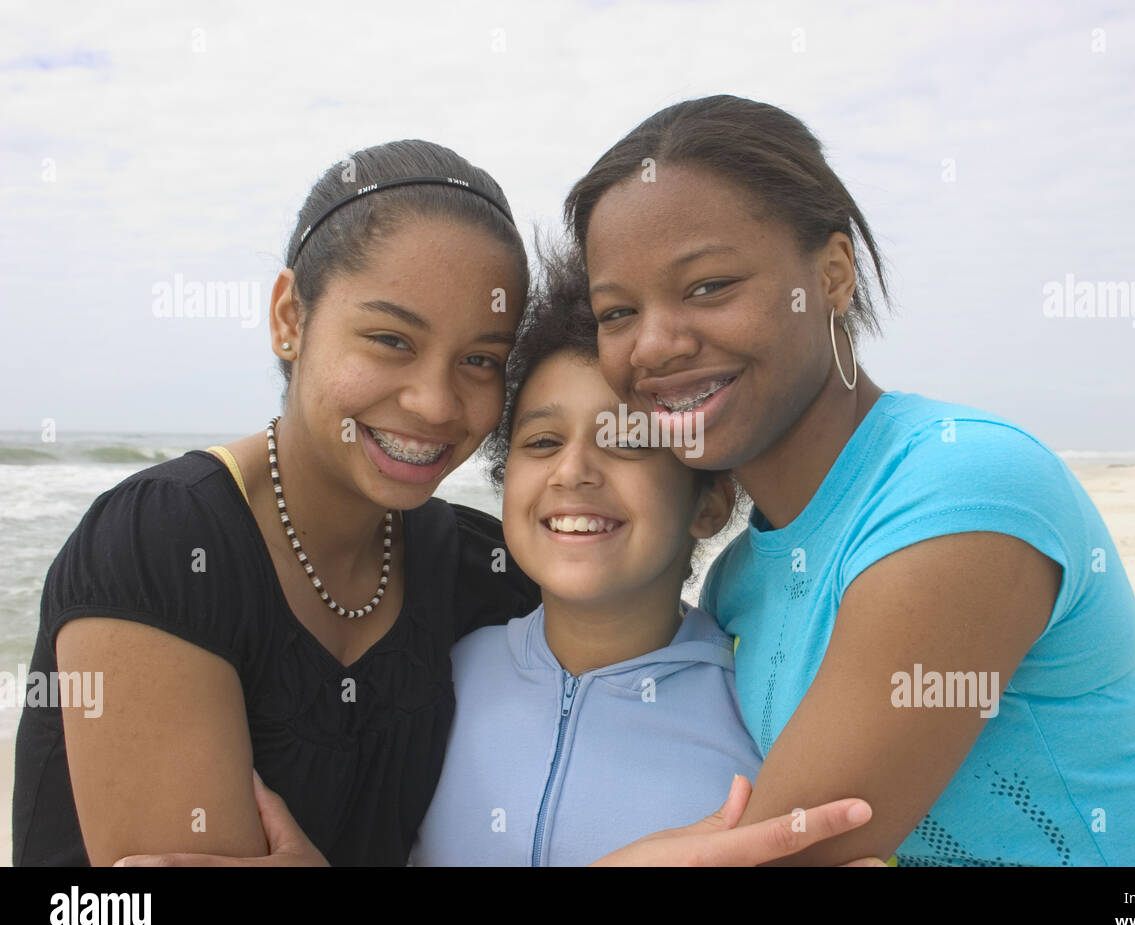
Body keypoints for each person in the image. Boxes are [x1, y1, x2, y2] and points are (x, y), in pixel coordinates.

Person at [15, 139, 873, 868]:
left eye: (479, 359)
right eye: (391, 339)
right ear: (290, 317)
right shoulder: (166, 542)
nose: (433, 403)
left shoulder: (481, 571)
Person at [562, 94, 1135, 865]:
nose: (655, 345)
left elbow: (783, 852)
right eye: (617, 313)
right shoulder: (740, 582)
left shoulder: (962, 485)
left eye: (708, 287)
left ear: (835, 275)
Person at [409, 244, 764, 865]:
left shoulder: (764, 714)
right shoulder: (436, 675)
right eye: (542, 441)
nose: (572, 471)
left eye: (626, 440)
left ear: (709, 502)